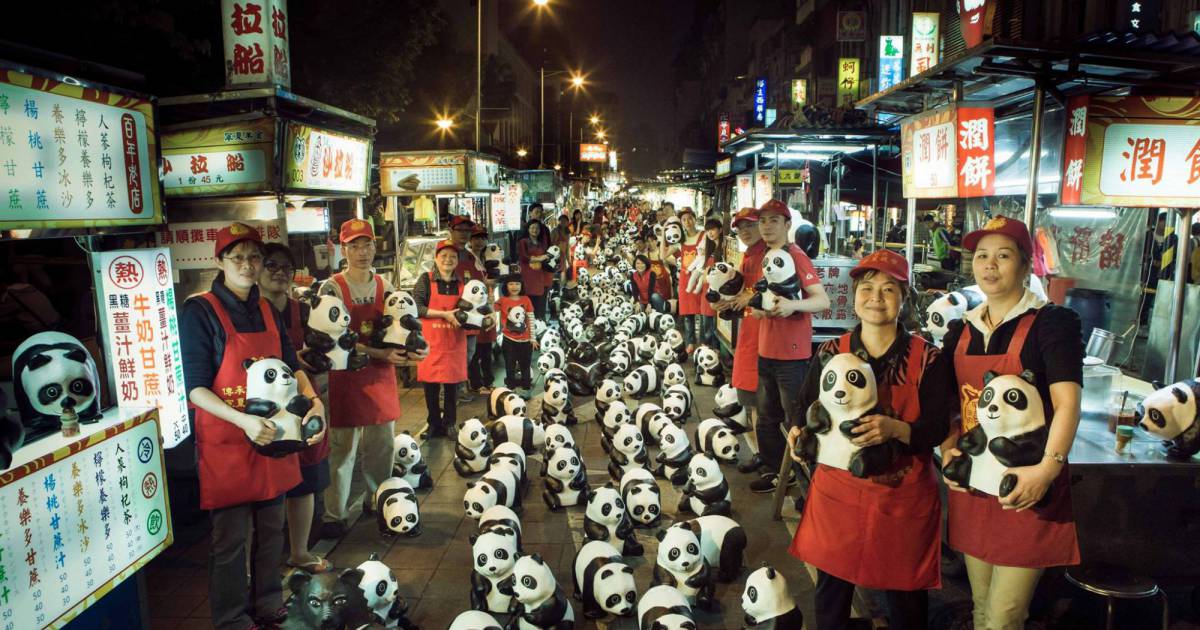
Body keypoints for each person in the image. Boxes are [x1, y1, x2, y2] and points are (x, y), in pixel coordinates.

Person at [786, 249, 952, 630]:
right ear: (855, 294)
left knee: (906, 595)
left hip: (902, 492)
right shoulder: (831, 352)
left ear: (904, 298)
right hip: (837, 494)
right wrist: (799, 430)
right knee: (832, 590)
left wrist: (898, 429)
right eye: (867, 287)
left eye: (889, 289)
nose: (876, 297)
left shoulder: (929, 359)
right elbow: (805, 406)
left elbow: (938, 428)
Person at [938, 216, 1083, 630]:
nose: (989, 266)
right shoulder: (960, 330)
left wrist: (1047, 469)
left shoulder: (1051, 323)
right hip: (973, 488)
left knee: (1005, 616)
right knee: (980, 608)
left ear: (1025, 266)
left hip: (1027, 485)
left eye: (1003, 256)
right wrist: (949, 446)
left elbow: (1067, 401)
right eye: (982, 256)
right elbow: (951, 405)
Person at [181, 223, 324, 629]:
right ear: (220, 261)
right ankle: (230, 618)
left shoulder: (266, 308)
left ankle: (268, 602)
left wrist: (314, 403)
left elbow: (291, 365)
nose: (247, 265)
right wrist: (243, 420)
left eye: (254, 257)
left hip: (275, 435)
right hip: (228, 440)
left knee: (271, 528)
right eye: (237, 256)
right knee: (230, 539)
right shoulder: (201, 310)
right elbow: (195, 388)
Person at [319, 219, 406, 540]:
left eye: (366, 244)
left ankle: (378, 498)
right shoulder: (331, 288)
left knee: (382, 445)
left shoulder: (386, 286)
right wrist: (379, 353)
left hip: (381, 377)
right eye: (354, 246)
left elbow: (400, 327)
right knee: (342, 449)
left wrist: (410, 349)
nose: (361, 252)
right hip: (346, 378)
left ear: (374, 246)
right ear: (344, 250)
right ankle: (334, 514)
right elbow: (333, 336)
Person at [258, 243, 332, 573]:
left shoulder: (301, 309)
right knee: (269, 480)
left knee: (307, 476)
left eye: (285, 267)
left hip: (304, 398)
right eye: (271, 265)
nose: (279, 273)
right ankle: (263, 562)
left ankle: (299, 551)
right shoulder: (249, 312)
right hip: (264, 408)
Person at [749, 199, 831, 493]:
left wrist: (792, 306)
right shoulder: (768, 256)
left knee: (796, 420)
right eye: (763, 221)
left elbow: (822, 301)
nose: (767, 226)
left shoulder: (796, 255)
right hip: (766, 351)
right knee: (767, 416)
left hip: (792, 356)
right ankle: (774, 471)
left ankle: (806, 482)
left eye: (773, 220)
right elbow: (764, 300)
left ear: (787, 225)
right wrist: (759, 309)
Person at [716, 208, 770, 474]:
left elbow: (767, 296)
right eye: (740, 228)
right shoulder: (748, 256)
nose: (745, 231)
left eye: (750, 225)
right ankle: (762, 453)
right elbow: (742, 292)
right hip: (750, 335)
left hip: (765, 339)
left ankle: (769, 459)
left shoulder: (770, 256)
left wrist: (747, 300)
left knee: (765, 404)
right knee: (753, 401)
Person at [415, 240, 468, 438]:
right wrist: (444, 314)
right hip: (431, 343)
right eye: (444, 256)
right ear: (436, 258)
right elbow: (417, 307)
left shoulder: (462, 283)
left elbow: (471, 310)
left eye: (452, 257)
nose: (448, 260)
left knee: (452, 387)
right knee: (430, 386)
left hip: (454, 342)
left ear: (457, 261)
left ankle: (450, 423)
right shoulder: (425, 280)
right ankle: (433, 424)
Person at [448, 215, 485, 403]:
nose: (464, 234)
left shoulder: (470, 255)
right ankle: (450, 389)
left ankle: (459, 386)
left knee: (468, 351)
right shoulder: (447, 253)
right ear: (451, 231)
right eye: (460, 230)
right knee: (453, 352)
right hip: (453, 311)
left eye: (467, 231)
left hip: (472, 312)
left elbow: (480, 277)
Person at [467, 227, 497, 396]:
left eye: (482, 238)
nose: (479, 241)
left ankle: (488, 381)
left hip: (487, 305)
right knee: (475, 348)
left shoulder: (489, 257)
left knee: (486, 348)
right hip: (473, 308)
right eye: (476, 238)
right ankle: (476, 383)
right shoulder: (468, 257)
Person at [497, 273, 537, 392]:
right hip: (508, 340)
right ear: (506, 286)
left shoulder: (526, 300)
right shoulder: (502, 300)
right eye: (511, 284)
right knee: (509, 364)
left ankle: (526, 386)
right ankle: (510, 387)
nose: (514, 286)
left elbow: (531, 318)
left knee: (525, 365)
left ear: (522, 285)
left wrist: (533, 338)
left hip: (526, 341)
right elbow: (491, 309)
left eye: (517, 284)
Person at [675, 208, 705, 352]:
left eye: (689, 218)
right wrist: (663, 233)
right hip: (685, 278)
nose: (687, 222)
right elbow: (664, 254)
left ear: (694, 218)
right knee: (688, 313)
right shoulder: (680, 238)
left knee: (704, 311)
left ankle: (705, 343)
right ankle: (690, 342)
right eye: (684, 219)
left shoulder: (704, 235)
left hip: (701, 277)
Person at [696, 217, 723, 348]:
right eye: (707, 230)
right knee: (707, 323)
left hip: (716, 292)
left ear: (720, 230)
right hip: (706, 292)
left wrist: (707, 275)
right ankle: (707, 349)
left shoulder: (723, 249)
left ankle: (713, 350)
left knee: (713, 325)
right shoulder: (711, 249)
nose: (710, 233)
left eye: (712, 229)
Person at [517, 219, 551, 318]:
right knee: (528, 301)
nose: (534, 230)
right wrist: (541, 258)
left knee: (539, 302)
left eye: (537, 228)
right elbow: (524, 257)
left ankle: (539, 323)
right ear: (528, 229)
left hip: (539, 276)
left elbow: (546, 258)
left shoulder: (541, 243)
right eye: (532, 227)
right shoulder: (523, 242)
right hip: (527, 276)